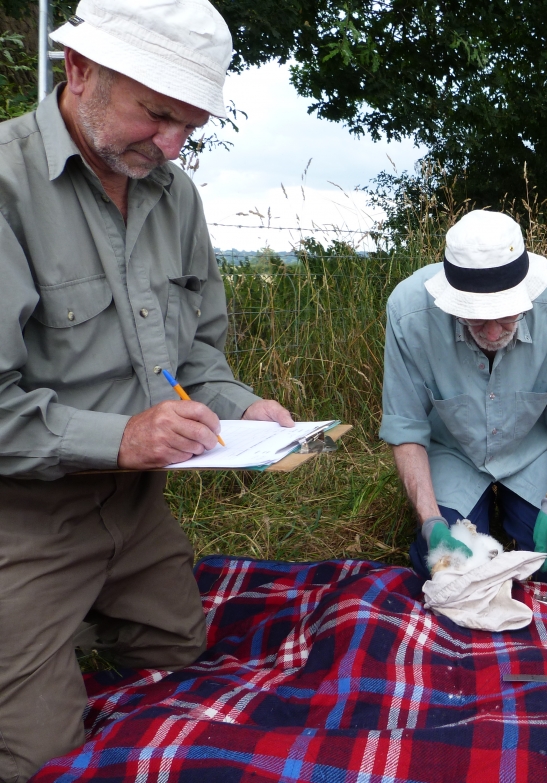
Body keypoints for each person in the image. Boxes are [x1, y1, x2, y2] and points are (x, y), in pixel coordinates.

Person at [0, 1, 293, 778]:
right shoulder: (5, 186)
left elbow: (193, 358)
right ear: (79, 70)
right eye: (158, 114)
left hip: (134, 505)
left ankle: (57, 627)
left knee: (178, 648)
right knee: (35, 755)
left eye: (190, 125)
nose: (172, 146)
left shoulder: (176, 196)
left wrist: (243, 408)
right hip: (22, 513)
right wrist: (123, 437)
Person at [380, 210, 547, 583]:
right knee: (449, 572)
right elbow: (406, 426)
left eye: (507, 315)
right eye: (476, 318)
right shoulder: (408, 312)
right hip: (453, 450)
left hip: (532, 449)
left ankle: (524, 509)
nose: (494, 333)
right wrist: (430, 520)